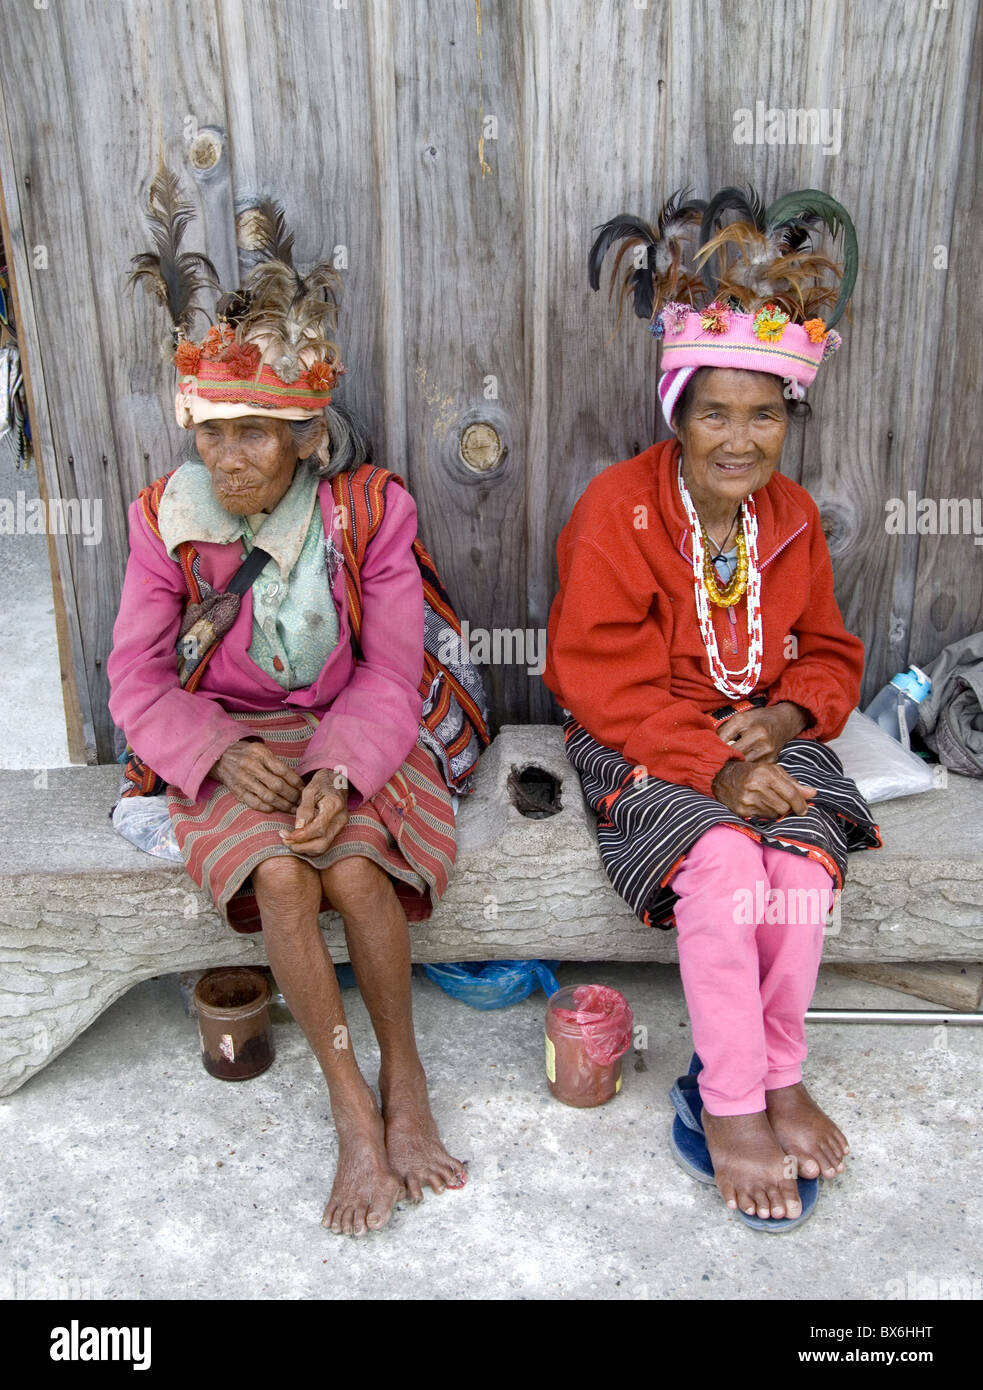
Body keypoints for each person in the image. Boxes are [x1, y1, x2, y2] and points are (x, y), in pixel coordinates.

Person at [109, 168, 467, 1235]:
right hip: (229, 745)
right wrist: (215, 751)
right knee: (277, 870)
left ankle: (406, 1081)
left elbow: (391, 670)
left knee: (352, 863)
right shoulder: (161, 520)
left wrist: (341, 766)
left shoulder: (368, 513)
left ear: (306, 434)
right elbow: (135, 677)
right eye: (210, 431)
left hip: (354, 734)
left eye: (255, 435)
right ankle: (351, 1107)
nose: (228, 459)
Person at [543, 187, 881, 1230]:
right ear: (676, 414)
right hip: (639, 733)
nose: (739, 439)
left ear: (787, 419)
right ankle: (730, 1103)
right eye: (714, 412)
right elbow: (594, 676)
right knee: (729, 863)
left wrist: (781, 724)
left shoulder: (789, 520)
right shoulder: (618, 509)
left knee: (797, 862)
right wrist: (716, 764)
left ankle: (774, 1071)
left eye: (764, 413)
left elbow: (826, 654)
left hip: (762, 726)